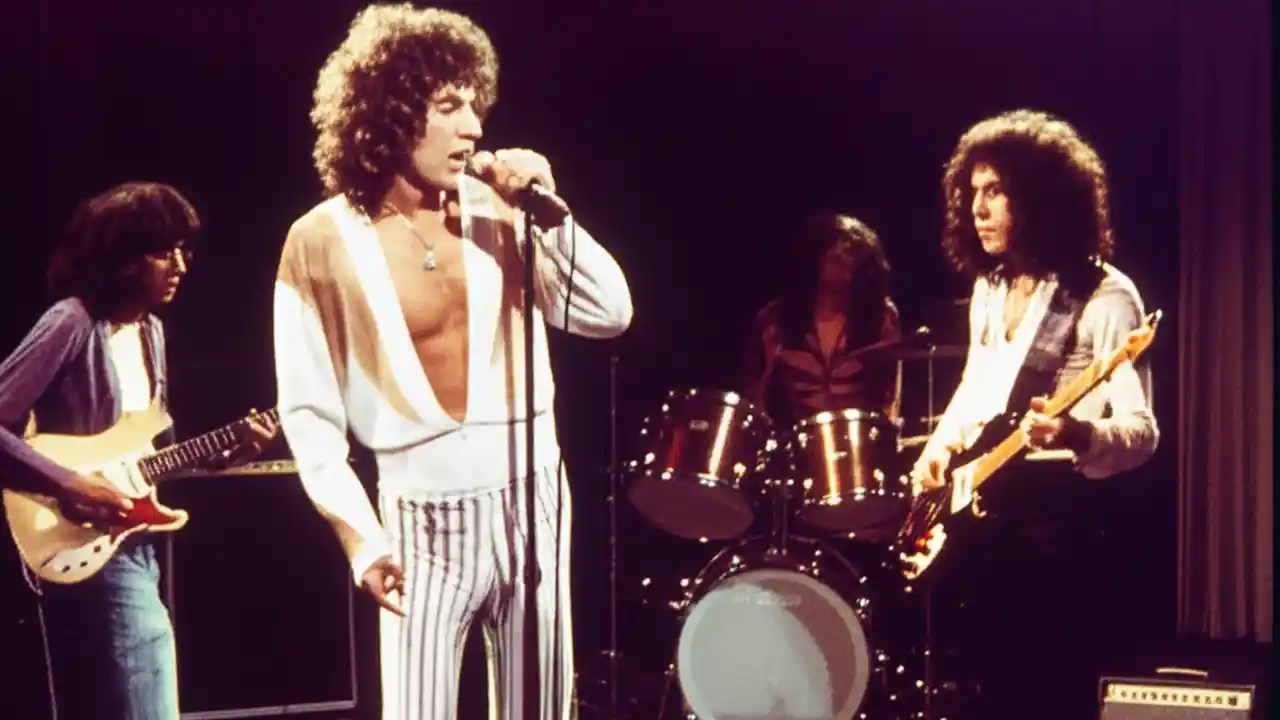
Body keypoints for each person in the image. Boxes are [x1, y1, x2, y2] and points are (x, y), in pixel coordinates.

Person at [272, 5, 632, 720]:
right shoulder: (319, 240)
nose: (473, 127)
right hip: (420, 524)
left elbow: (608, 312)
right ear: (390, 113)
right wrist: (361, 539)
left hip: (533, 500)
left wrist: (553, 216)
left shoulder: (504, 211)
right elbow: (308, 417)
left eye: (475, 106)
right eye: (448, 107)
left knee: (541, 710)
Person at [908, 109, 1159, 718]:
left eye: (996, 190)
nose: (978, 208)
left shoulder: (1105, 296)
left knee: (1044, 694)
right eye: (973, 192)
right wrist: (938, 447)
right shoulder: (990, 288)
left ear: (1041, 197)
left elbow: (1142, 433)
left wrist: (1074, 431)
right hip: (987, 526)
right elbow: (976, 386)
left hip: (1058, 532)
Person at [0, 181, 277, 719]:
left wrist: (229, 454)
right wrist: (68, 483)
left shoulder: (152, 333)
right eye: (163, 252)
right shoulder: (72, 321)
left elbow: (152, 459)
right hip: (82, 538)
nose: (180, 266)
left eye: (183, 251)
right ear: (124, 260)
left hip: (134, 542)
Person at [742, 212, 902, 426]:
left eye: (852, 253)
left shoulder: (880, 317)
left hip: (861, 438)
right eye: (834, 253)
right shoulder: (775, 320)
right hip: (799, 439)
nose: (844, 258)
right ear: (813, 257)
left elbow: (889, 398)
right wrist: (766, 371)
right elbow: (752, 403)